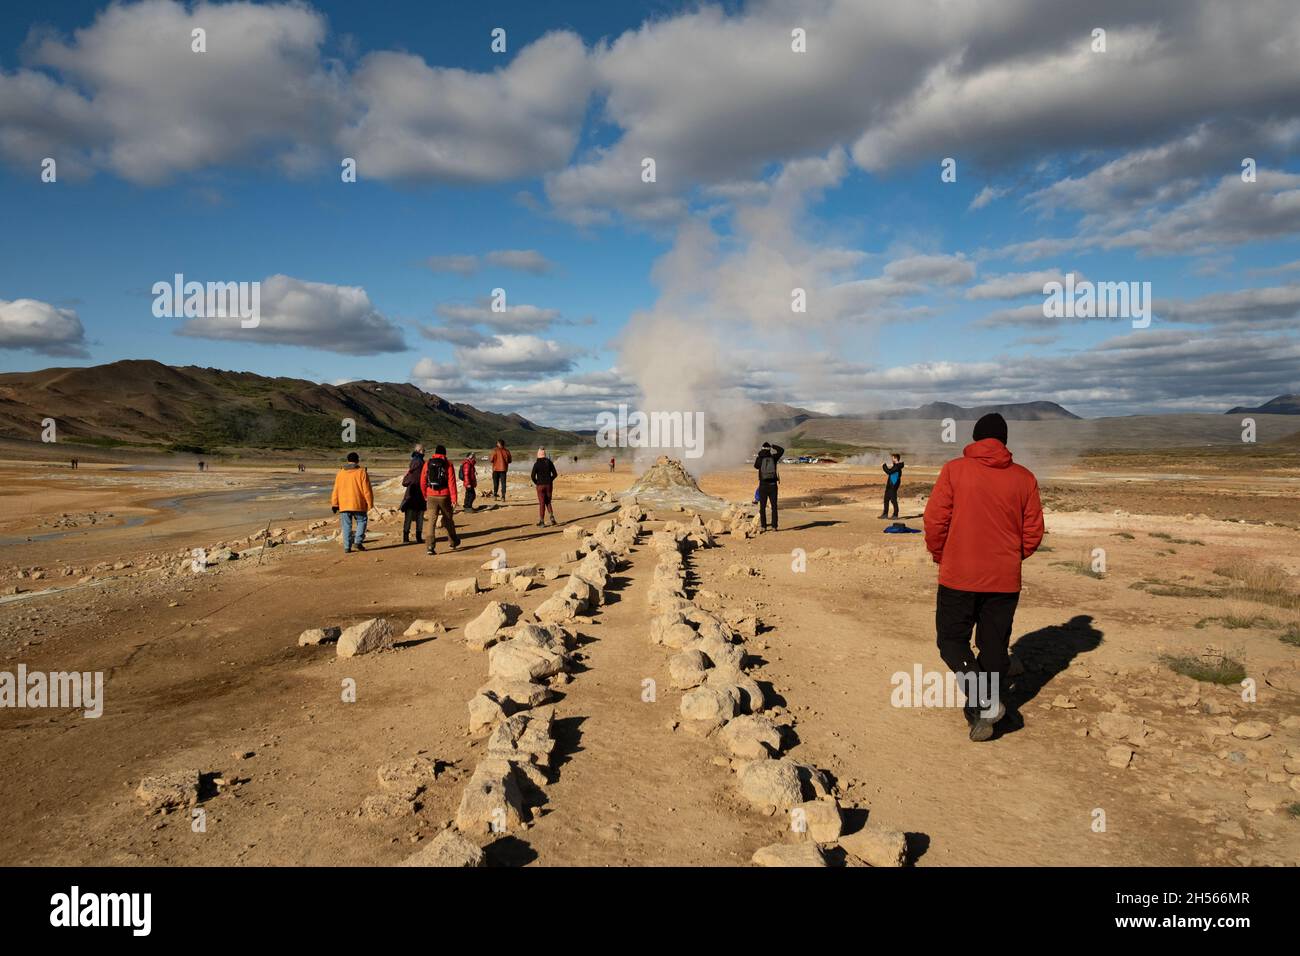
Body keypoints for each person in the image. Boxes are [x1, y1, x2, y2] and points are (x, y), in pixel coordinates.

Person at [923, 413, 1044, 743]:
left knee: (951, 641)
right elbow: (1033, 531)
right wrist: (1010, 558)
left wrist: (941, 554)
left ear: (976, 439)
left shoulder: (954, 471)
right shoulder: (1024, 478)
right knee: (993, 648)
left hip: (958, 576)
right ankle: (983, 712)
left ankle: (985, 702)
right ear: (1004, 441)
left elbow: (935, 521)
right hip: (1004, 580)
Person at [331, 451, 374, 554]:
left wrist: (334, 504)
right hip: (358, 503)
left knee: (346, 526)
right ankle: (358, 541)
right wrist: (370, 503)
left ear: (347, 461)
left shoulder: (340, 473)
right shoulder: (362, 472)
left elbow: (336, 489)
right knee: (362, 521)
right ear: (357, 460)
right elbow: (367, 490)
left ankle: (347, 547)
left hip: (344, 504)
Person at [421, 444, 461, 554]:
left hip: (431, 496)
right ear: (444, 453)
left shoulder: (427, 464)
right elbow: (451, 482)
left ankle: (430, 546)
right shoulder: (448, 464)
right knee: (448, 519)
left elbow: (423, 481)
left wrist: (425, 494)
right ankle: (453, 542)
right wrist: (454, 499)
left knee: (431, 521)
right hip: (444, 496)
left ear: (435, 453)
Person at [753, 441, 785, 532]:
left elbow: (756, 466)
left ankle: (764, 526)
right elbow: (781, 450)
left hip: (763, 486)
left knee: (762, 507)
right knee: (774, 507)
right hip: (773, 486)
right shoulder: (773, 457)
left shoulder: (759, 458)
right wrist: (773, 446)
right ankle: (774, 526)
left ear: (762, 448)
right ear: (769, 449)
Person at [400, 444, 426, 545]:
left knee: (410, 516)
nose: (424, 452)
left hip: (412, 492)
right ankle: (417, 537)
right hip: (417, 492)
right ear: (419, 450)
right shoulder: (419, 462)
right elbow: (417, 477)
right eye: (423, 450)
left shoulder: (415, 461)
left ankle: (406, 537)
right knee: (419, 515)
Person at [531, 447, 558, 527]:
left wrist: (537, 483)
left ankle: (542, 521)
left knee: (542, 503)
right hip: (549, 485)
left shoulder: (536, 464)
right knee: (548, 501)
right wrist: (550, 480)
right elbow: (555, 474)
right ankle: (552, 517)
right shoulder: (549, 462)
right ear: (545, 455)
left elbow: (532, 476)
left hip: (540, 485)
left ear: (538, 455)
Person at [880, 453, 904, 519]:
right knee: (886, 499)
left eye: (893, 458)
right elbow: (891, 472)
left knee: (893, 500)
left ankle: (895, 515)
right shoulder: (896, 465)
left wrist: (884, 466)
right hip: (890, 485)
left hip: (893, 485)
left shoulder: (898, 466)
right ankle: (885, 514)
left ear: (896, 458)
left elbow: (889, 472)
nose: (892, 459)